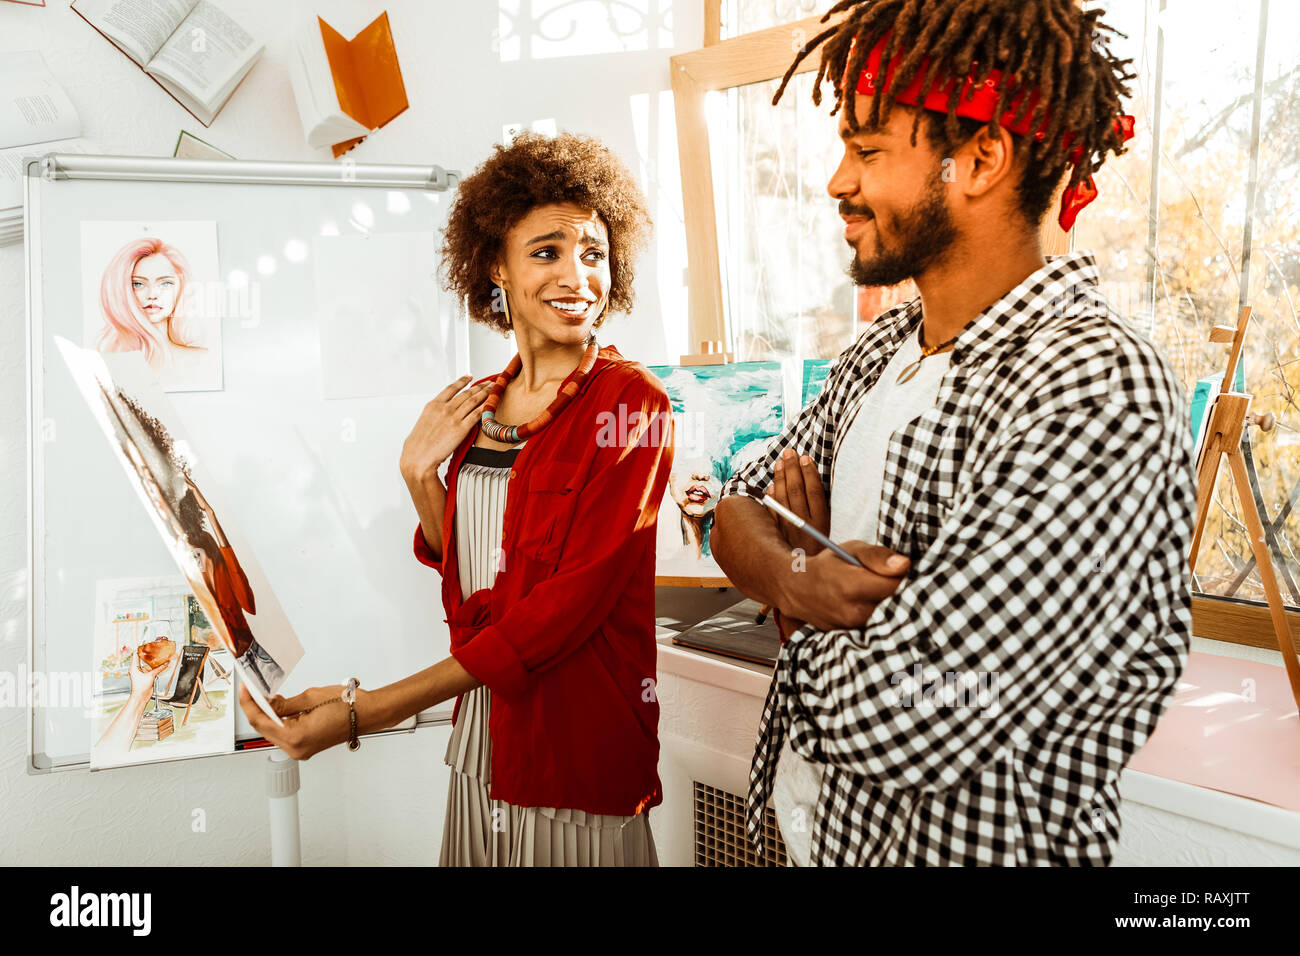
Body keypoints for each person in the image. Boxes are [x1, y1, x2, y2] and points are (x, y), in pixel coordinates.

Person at [710, 0, 1197, 866]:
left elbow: (920, 711)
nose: (837, 183)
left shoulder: (1092, 383)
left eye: (866, 151)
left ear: (980, 159)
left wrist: (789, 607)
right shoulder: (878, 352)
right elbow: (731, 509)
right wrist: (801, 576)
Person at [239, 131, 673, 868]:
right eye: (547, 252)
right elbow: (473, 585)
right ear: (495, 267)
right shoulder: (484, 404)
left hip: (573, 751)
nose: (577, 276)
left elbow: (557, 615)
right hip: (483, 741)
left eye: (593, 253)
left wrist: (366, 709)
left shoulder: (633, 406)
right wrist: (420, 479)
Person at [95, 238, 207, 376]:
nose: (152, 295)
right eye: (138, 284)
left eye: (165, 284)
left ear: (181, 287)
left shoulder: (201, 360)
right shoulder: (106, 365)